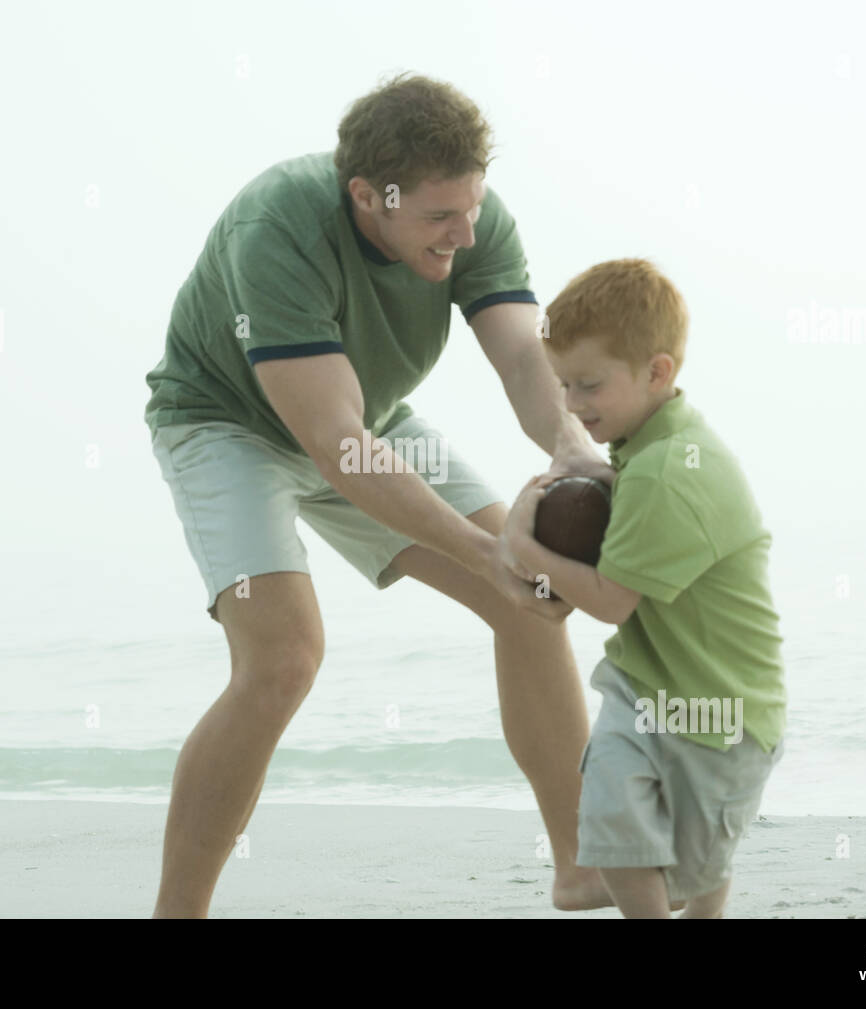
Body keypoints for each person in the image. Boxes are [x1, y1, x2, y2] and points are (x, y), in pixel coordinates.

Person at [143, 72, 617, 917]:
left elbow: (521, 361)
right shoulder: (277, 227)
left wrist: (576, 450)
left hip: (370, 416)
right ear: (368, 194)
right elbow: (336, 446)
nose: (464, 233)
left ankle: (579, 863)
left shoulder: (474, 219)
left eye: (471, 209)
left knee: (534, 597)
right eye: (440, 218)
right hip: (228, 422)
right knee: (283, 659)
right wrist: (482, 550)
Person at [501, 258, 788, 918]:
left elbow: (607, 599)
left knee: (696, 867)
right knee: (613, 819)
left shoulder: (666, 469)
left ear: (657, 372)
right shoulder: (657, 441)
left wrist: (522, 548)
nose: (571, 404)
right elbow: (631, 498)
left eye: (589, 384)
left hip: (722, 712)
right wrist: (596, 473)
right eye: (563, 383)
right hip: (645, 686)